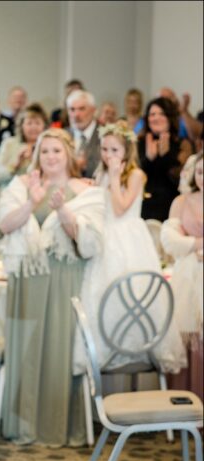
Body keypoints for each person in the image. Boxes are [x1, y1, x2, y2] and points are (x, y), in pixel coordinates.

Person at [0, 128, 104, 447]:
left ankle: (59, 426)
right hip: (27, 278)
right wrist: (32, 202)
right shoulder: (22, 185)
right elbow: (4, 224)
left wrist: (62, 209)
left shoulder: (86, 190)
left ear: (69, 155)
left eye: (57, 151)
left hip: (64, 278)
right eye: (45, 151)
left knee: (59, 346)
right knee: (26, 349)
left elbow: (89, 242)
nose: (51, 157)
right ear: (37, 155)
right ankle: (24, 425)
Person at [77, 121, 185, 376]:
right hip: (106, 237)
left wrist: (114, 177)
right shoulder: (102, 173)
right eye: (104, 149)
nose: (108, 155)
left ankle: (135, 349)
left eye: (114, 150)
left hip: (129, 238)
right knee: (100, 292)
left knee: (132, 292)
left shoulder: (136, 174)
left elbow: (121, 207)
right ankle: (105, 351)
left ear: (126, 150)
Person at [162, 155, 203, 401]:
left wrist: (189, 244)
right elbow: (170, 241)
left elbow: (181, 242)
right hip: (188, 277)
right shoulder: (182, 201)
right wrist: (196, 244)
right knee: (189, 338)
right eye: (199, 172)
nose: (202, 177)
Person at [138, 97, 194, 221]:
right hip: (143, 207)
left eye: (161, 113)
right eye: (152, 114)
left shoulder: (182, 144)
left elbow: (183, 179)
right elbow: (134, 175)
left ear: (170, 117)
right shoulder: (139, 142)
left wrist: (166, 156)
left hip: (171, 207)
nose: (156, 118)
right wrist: (148, 159)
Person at [0, 103, 48, 188]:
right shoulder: (9, 143)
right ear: (21, 125)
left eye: (37, 123)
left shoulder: (48, 146)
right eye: (29, 123)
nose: (33, 127)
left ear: (44, 126)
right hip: (11, 193)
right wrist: (16, 165)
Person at [66, 90, 100, 178]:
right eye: (72, 109)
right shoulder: (62, 136)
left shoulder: (105, 136)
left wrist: (85, 167)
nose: (76, 114)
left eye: (81, 109)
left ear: (93, 110)